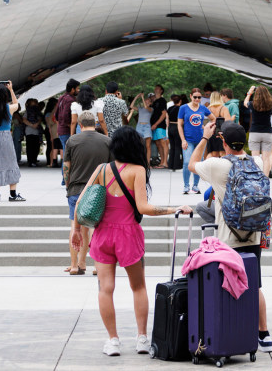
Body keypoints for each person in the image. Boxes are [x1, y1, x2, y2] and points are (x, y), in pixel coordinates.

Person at [70, 126, 193, 356]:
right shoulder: (137, 170)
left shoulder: (102, 169)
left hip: (103, 235)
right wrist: (175, 209)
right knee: (138, 287)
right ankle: (142, 339)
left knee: (105, 289)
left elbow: (80, 202)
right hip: (128, 236)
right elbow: (143, 208)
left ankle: (113, 341)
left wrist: (76, 230)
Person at [189, 120, 272, 354]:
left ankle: (228, 332)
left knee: (227, 284)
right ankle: (264, 335)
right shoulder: (256, 162)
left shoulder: (217, 165)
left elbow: (192, 164)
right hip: (253, 235)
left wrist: (205, 138)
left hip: (228, 239)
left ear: (223, 141)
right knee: (254, 285)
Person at [64, 111, 110, 275]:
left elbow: (66, 167)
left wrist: (68, 184)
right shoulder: (106, 140)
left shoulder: (72, 140)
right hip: (99, 190)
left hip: (76, 188)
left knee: (75, 226)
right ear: (96, 123)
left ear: (80, 125)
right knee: (95, 227)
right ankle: (97, 265)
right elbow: (111, 168)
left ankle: (75, 265)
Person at [177, 88, 210, 194]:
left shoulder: (203, 108)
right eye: (195, 97)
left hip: (200, 141)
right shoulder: (183, 108)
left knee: (198, 163)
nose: (197, 99)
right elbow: (179, 125)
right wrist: (183, 140)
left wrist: (207, 126)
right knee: (187, 162)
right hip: (188, 140)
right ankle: (186, 186)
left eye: (199, 97)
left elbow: (213, 118)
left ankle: (195, 186)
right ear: (190, 96)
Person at [245, 86, 272, 176]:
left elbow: (245, 103)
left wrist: (249, 92)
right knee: (266, 158)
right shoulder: (271, 104)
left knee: (255, 157)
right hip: (267, 132)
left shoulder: (253, 104)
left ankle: (256, 176)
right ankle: (265, 177)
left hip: (255, 132)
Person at [55, 79, 80, 149]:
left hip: (61, 130)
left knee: (66, 153)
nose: (78, 90)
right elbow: (65, 116)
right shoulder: (70, 100)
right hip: (67, 132)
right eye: (77, 88)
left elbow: (56, 115)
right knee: (69, 156)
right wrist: (71, 126)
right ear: (73, 89)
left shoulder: (61, 97)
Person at [21, 98, 46, 167]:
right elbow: (24, 120)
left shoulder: (36, 112)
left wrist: (35, 124)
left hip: (35, 131)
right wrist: (33, 125)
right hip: (30, 131)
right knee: (31, 146)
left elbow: (40, 119)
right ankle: (31, 161)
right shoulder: (28, 112)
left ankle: (33, 160)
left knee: (35, 146)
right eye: (34, 103)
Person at [150, 85, 169, 169]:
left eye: (158, 88)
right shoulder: (154, 101)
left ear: (161, 91)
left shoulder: (162, 100)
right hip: (154, 126)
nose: (155, 89)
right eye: (155, 87)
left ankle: (165, 162)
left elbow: (164, 114)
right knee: (158, 144)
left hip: (160, 126)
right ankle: (161, 162)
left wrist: (156, 124)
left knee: (163, 142)